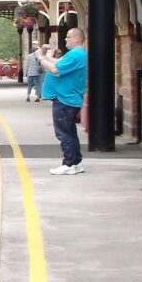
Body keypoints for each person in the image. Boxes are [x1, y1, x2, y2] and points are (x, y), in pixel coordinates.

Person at [36, 28, 87, 175]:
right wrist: (45, 56)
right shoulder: (76, 54)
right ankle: (76, 163)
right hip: (67, 98)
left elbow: (54, 70)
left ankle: (68, 163)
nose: (65, 39)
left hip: (65, 99)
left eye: (68, 37)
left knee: (63, 133)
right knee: (70, 132)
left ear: (77, 39)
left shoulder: (76, 54)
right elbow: (58, 62)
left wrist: (40, 58)